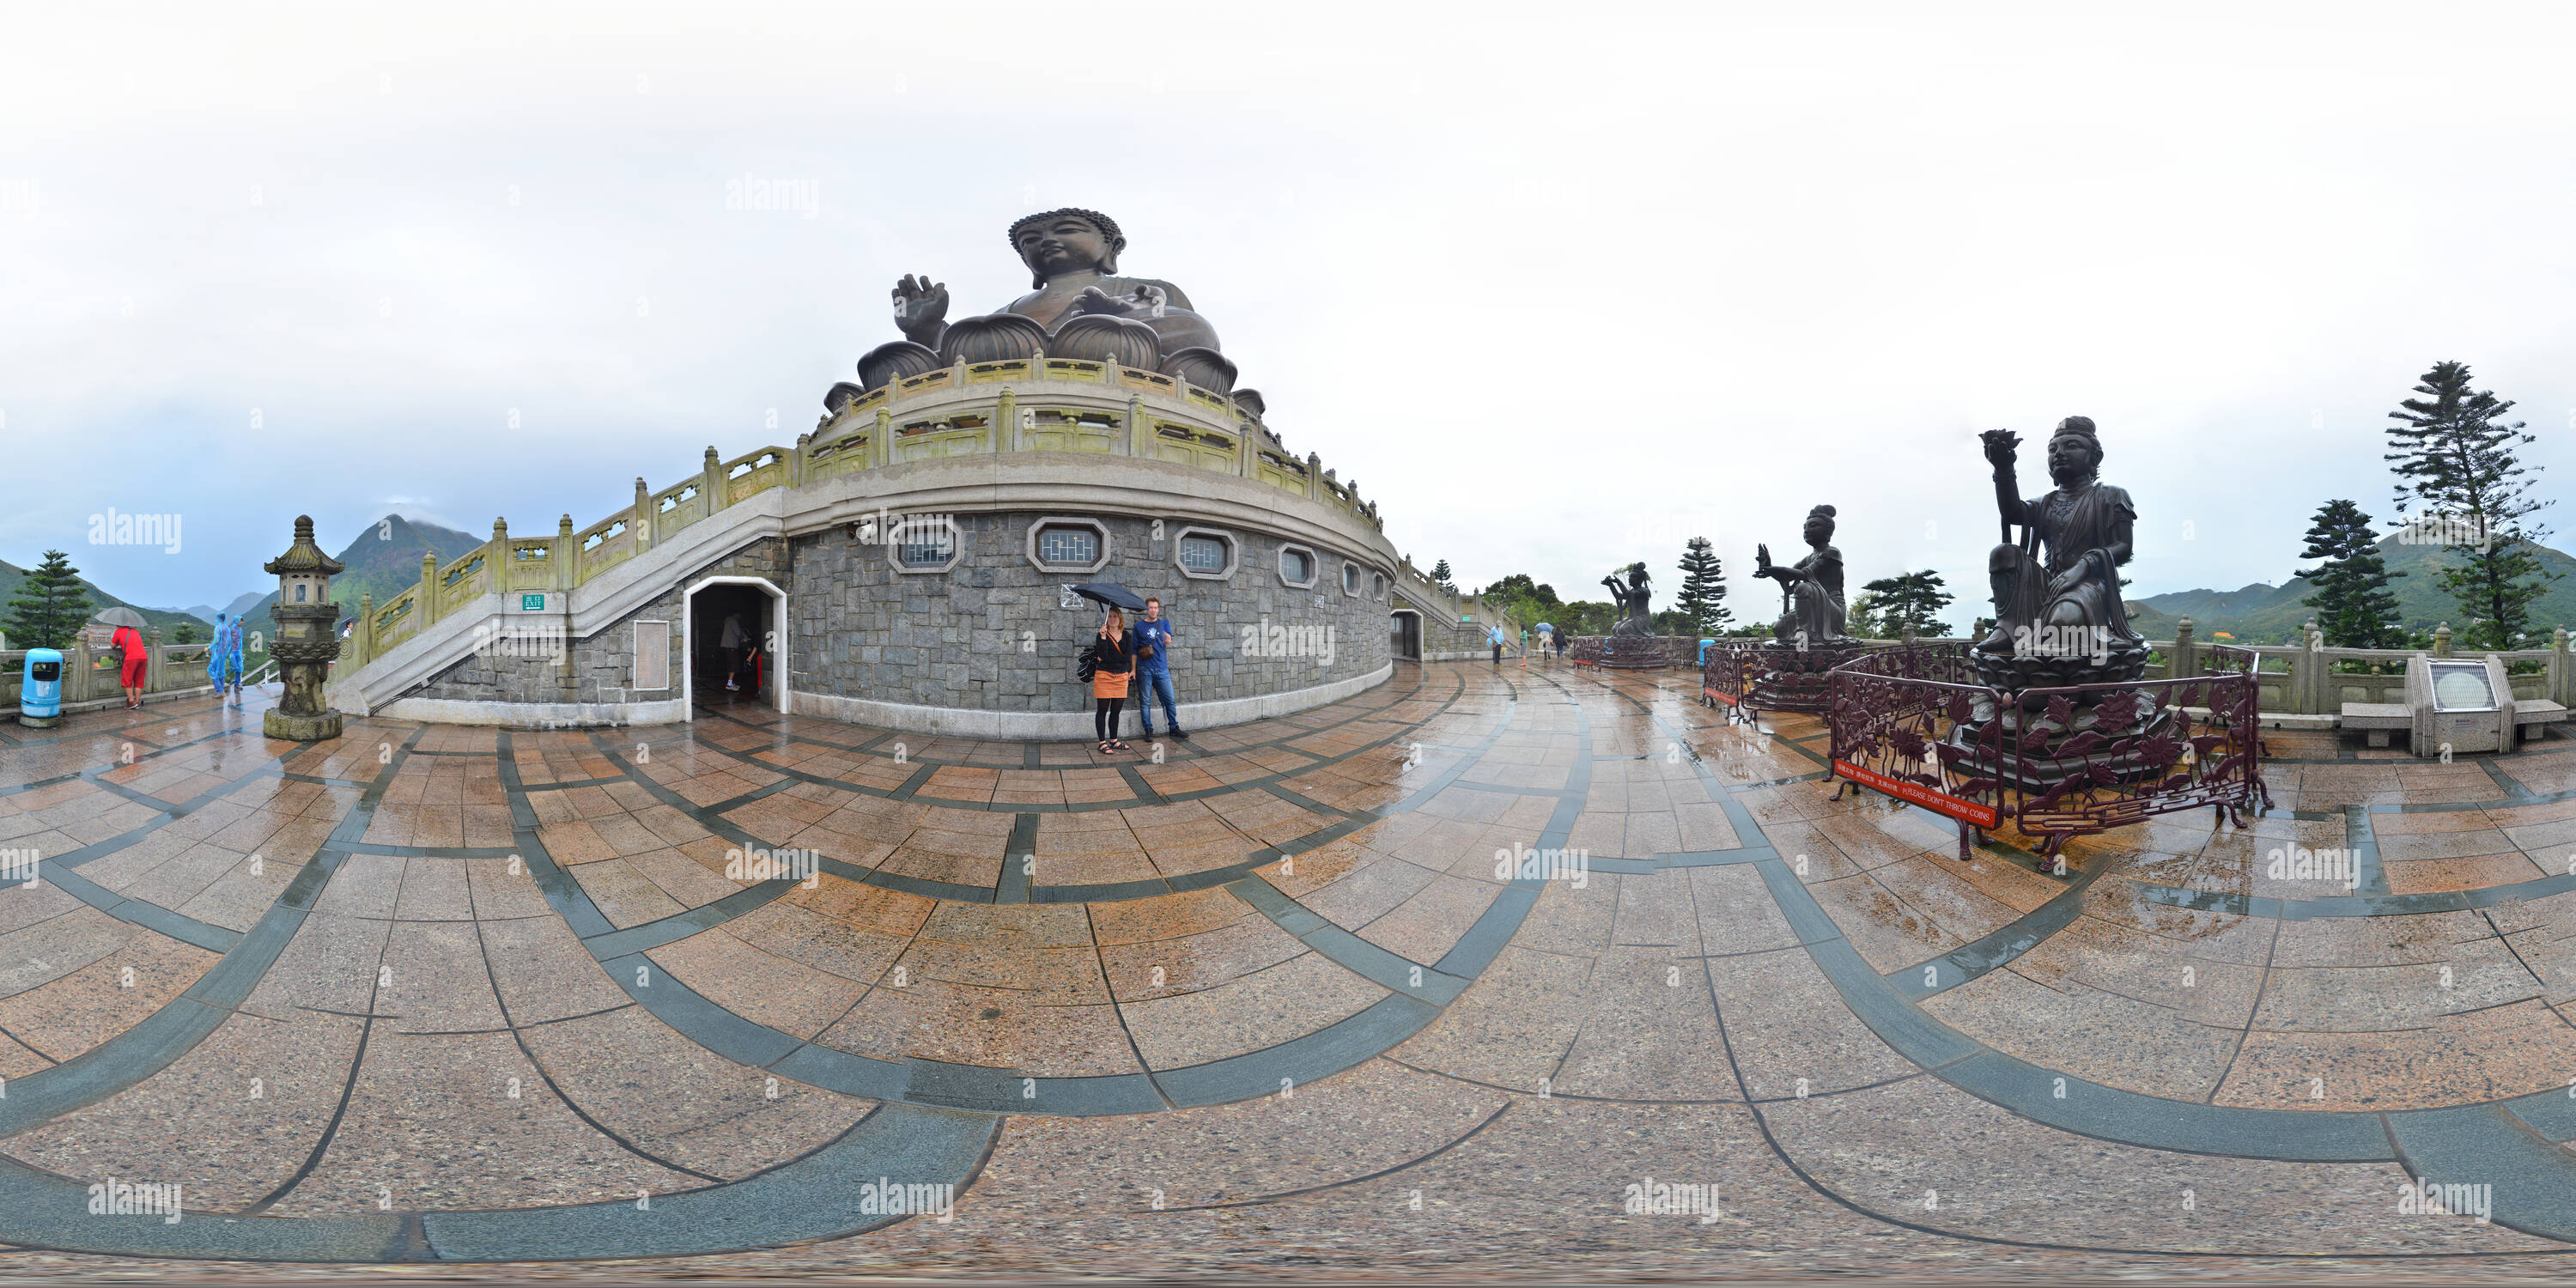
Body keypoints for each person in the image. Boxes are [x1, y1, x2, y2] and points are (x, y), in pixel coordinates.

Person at [1132, 595, 1188, 743]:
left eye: (1156, 607)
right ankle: (1148, 729)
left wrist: (1168, 639)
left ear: (1158, 609)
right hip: (1144, 669)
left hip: (1162, 669)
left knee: (1169, 700)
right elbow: (1134, 650)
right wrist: (1132, 670)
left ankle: (1174, 728)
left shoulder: (1164, 623)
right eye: (1151, 607)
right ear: (1147, 609)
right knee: (1145, 702)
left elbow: (1169, 639)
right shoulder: (1139, 627)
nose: (1153, 610)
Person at [1090, 608, 1141, 754]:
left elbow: (1126, 657)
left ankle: (1113, 740)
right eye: (1110, 617)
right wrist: (1104, 639)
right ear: (1107, 619)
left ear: (1120, 619)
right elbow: (1103, 655)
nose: (1112, 619)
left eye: (1115, 616)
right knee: (1102, 710)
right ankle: (1101, 742)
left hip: (1121, 677)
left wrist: (1110, 659)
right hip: (1104, 676)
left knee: (1116, 711)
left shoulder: (1126, 636)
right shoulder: (1101, 636)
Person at [208, 611, 245, 701]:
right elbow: (228, 641)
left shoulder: (220, 628)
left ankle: (223, 689)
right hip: (228, 652)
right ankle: (226, 687)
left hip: (221, 652)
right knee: (227, 669)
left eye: (242, 621)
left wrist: (209, 647)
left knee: (214, 671)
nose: (242, 622)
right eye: (241, 621)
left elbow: (217, 640)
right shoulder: (230, 629)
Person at [112, 620, 148, 709]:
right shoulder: (135, 631)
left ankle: (131, 702)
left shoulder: (118, 631)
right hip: (143, 657)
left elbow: (112, 645)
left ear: (117, 624)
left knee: (127, 679)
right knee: (139, 680)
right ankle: (137, 702)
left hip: (131, 658)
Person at [719, 611, 747, 692]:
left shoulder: (727, 621)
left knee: (730, 664)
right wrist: (743, 636)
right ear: (737, 614)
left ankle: (730, 682)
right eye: (740, 615)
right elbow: (738, 633)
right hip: (731, 646)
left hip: (726, 646)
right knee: (734, 665)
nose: (740, 618)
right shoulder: (733, 621)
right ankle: (729, 684)